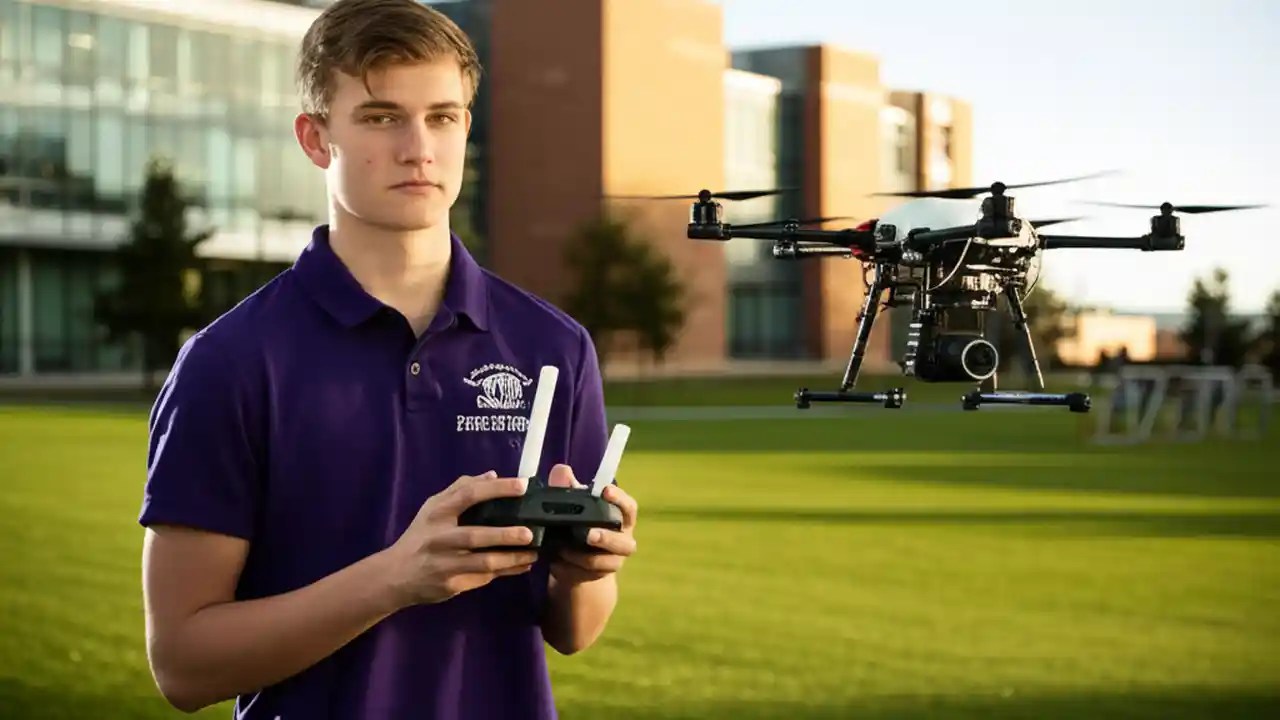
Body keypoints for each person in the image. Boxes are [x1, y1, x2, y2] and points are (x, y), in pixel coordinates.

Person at [137, 1, 638, 718]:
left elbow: (574, 631)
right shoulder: (231, 361)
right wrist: (396, 578)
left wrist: (586, 572)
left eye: (442, 116)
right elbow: (183, 666)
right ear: (316, 138)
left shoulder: (553, 346)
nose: (418, 147)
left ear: (467, 126)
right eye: (380, 117)